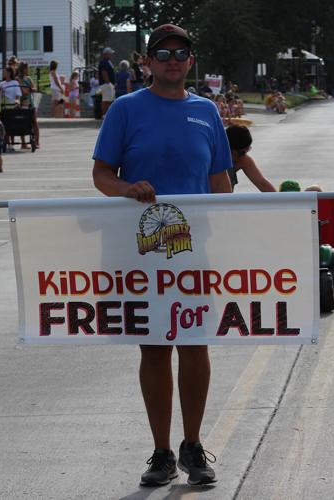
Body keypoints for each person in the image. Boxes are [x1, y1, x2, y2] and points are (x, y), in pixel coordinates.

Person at [91, 23, 231, 488]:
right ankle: (162, 452)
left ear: (192, 61)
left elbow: (221, 185)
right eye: (163, 52)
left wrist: (236, 232)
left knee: (194, 345)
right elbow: (101, 175)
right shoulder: (126, 110)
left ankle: (193, 446)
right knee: (154, 347)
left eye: (181, 52)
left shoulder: (206, 111)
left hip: (193, 252)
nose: (172, 59)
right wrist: (127, 189)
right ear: (148, 61)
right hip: (141, 251)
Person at [225, 124, 276, 192]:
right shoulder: (212, 159)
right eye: (241, 153)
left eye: (247, 150)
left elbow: (262, 184)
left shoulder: (242, 159)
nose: (243, 155)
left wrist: (281, 201)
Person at [98, 47, 116, 116]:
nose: (111, 55)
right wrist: (108, 82)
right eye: (110, 54)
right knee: (106, 100)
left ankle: (107, 114)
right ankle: (104, 114)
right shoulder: (104, 62)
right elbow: (104, 72)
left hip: (109, 84)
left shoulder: (108, 62)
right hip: (106, 84)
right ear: (106, 54)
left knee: (110, 99)